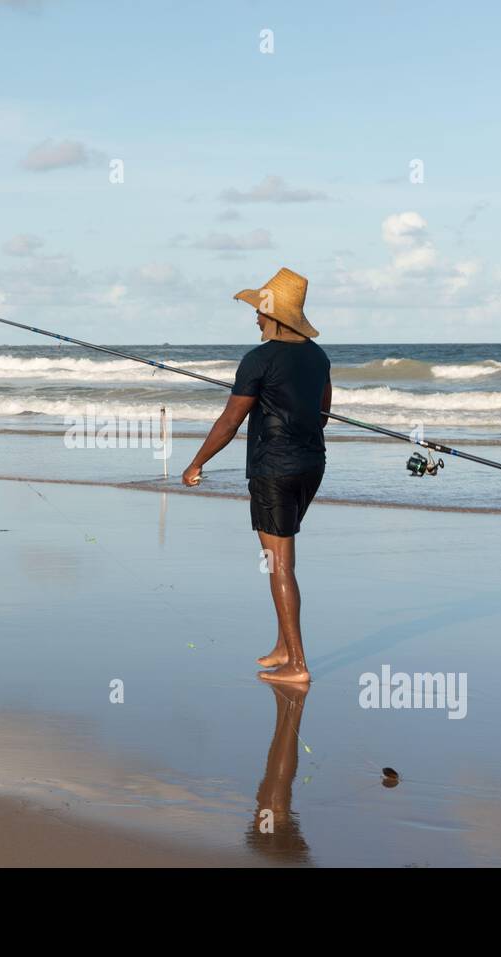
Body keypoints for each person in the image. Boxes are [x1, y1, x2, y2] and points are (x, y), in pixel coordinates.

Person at [182, 268, 331, 684]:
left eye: (260, 312)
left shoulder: (258, 360)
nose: (256, 319)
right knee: (284, 556)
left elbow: (230, 421)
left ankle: (297, 664)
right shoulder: (319, 356)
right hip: (311, 466)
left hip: (273, 470)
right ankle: (284, 645)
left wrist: (196, 463)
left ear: (275, 317)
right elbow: (321, 413)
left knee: (277, 563)